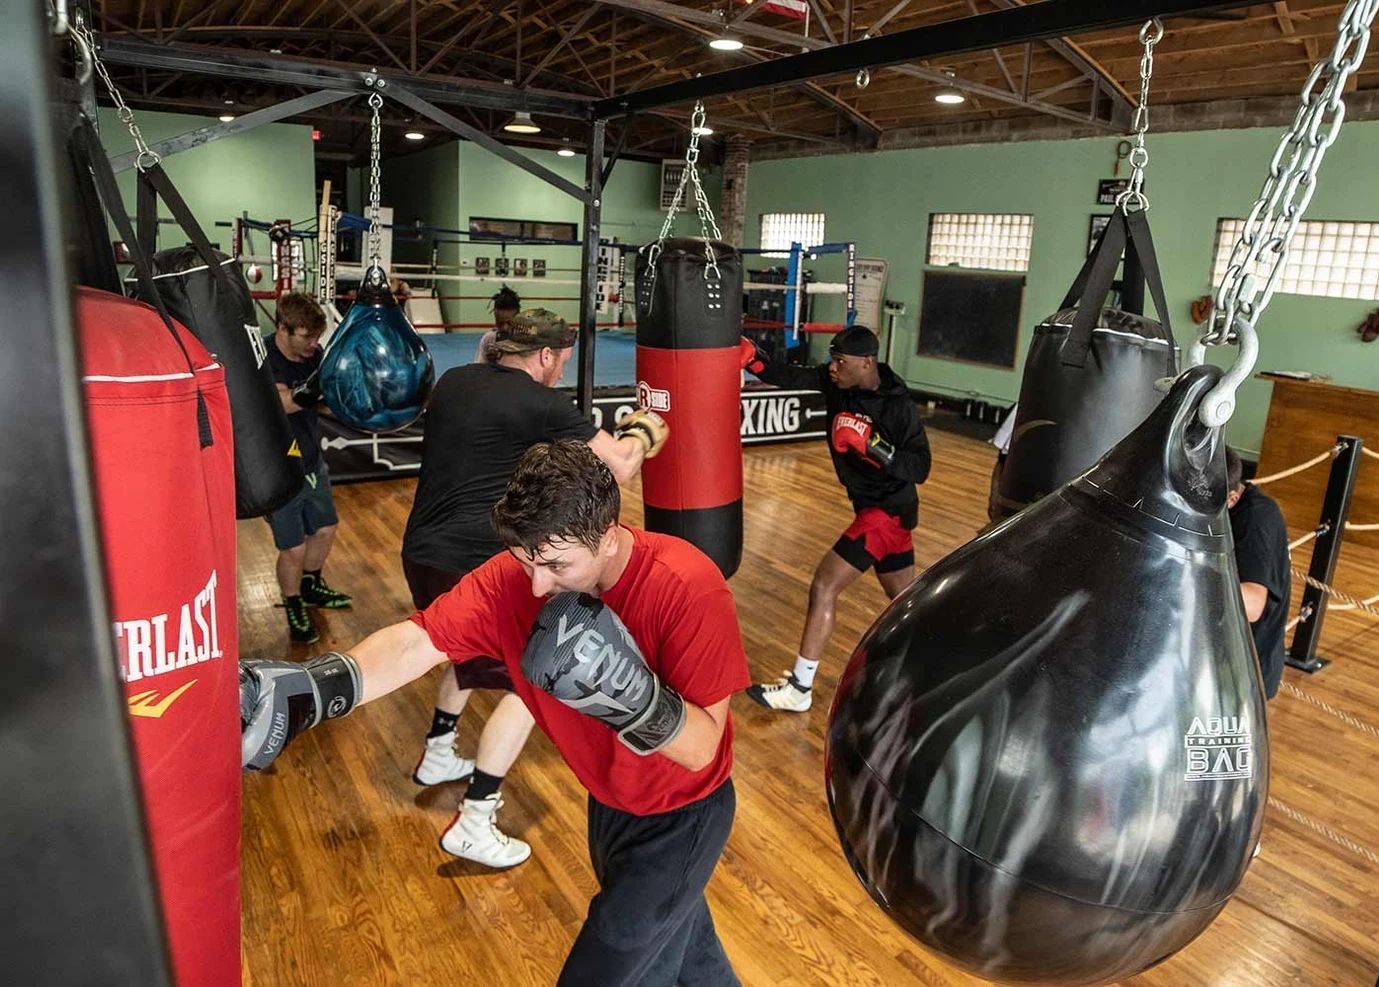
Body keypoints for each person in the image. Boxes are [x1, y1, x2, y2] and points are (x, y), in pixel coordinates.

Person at [241, 440, 750, 985]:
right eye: (528, 561)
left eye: (557, 565)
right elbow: (417, 643)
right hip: (608, 802)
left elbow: (700, 749)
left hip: (683, 817)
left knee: (610, 966)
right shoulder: (513, 581)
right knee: (689, 950)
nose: (538, 585)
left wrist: (630, 693)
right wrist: (318, 688)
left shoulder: (685, 585)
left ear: (606, 537)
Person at [400, 308, 670, 869]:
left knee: (464, 649)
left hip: (423, 554)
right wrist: (643, 430)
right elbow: (620, 464)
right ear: (545, 357)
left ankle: (438, 753)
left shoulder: (454, 382)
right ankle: (476, 817)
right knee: (533, 685)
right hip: (481, 560)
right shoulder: (539, 402)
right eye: (561, 362)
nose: (560, 373)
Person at [741, 325, 931, 711]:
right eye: (833, 360)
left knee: (824, 585)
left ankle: (799, 688)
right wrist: (753, 359)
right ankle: (932, 669)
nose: (833, 368)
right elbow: (790, 374)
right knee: (906, 602)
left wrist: (875, 447)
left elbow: (921, 466)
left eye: (841, 362)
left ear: (866, 363)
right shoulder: (838, 383)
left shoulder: (897, 405)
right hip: (877, 509)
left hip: (886, 512)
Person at [264, 291, 352, 644]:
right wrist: (313, 392)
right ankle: (293, 603)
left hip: (311, 458)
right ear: (283, 328)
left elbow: (324, 403)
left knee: (327, 528)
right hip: (278, 465)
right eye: (306, 337)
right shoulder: (265, 357)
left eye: (317, 337)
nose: (313, 345)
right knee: (294, 548)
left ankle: (312, 584)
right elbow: (282, 402)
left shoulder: (314, 355)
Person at [1227, 446, 1291, 700]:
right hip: (1221, 660)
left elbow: (1252, 604)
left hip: (1247, 672)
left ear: (1232, 498)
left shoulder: (1256, 518)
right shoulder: (1225, 508)